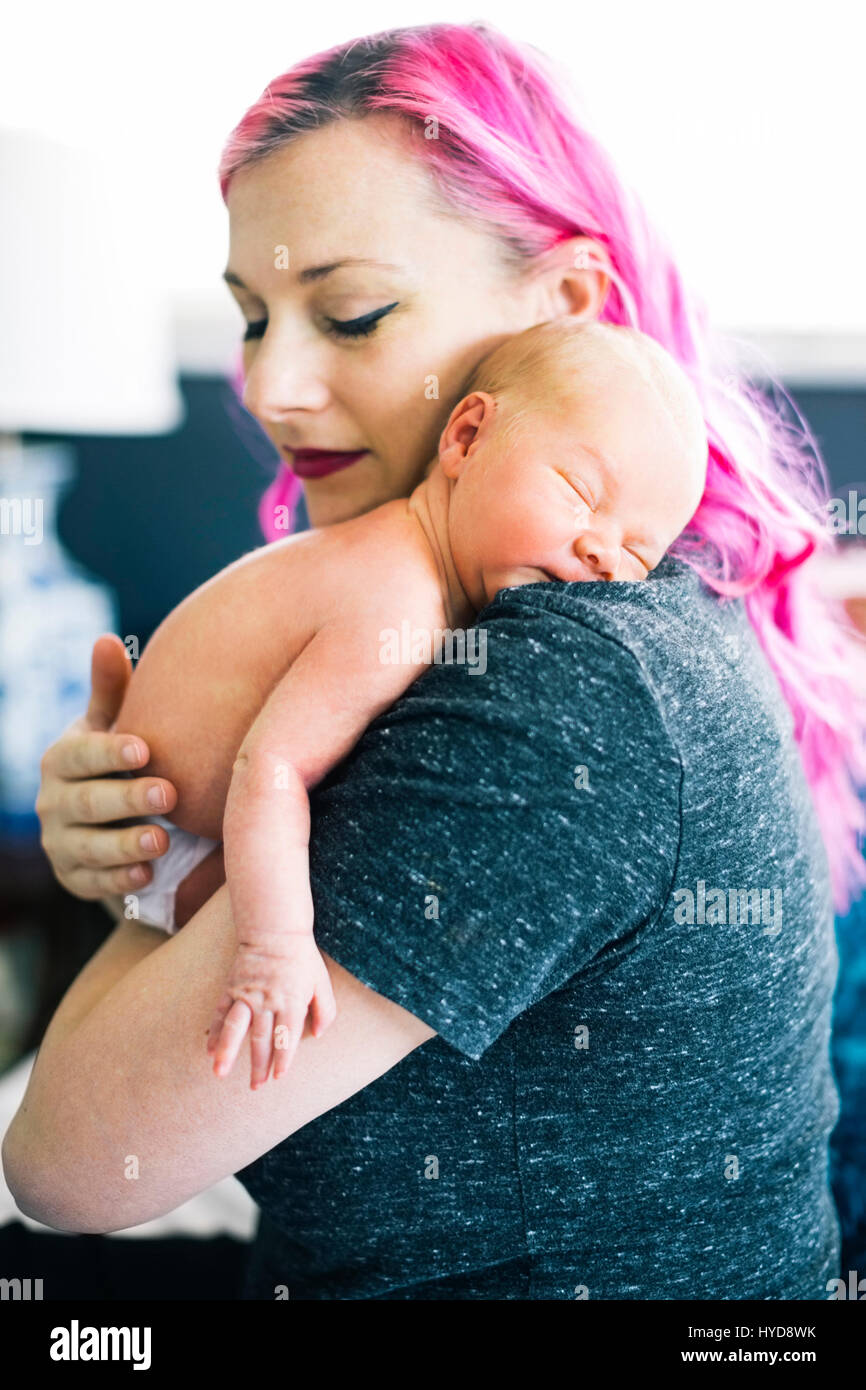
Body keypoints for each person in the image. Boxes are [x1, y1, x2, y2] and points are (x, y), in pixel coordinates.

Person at [5, 22, 865, 1299]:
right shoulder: (508, 622)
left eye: (352, 314)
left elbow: (72, 1166)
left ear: (564, 305)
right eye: (250, 319)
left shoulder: (555, 688)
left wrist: (185, 859)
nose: (274, 388)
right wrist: (150, 847)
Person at [111, 319, 708, 1089]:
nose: (601, 551)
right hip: (180, 841)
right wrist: (272, 947)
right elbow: (273, 767)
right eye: (579, 492)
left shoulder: (447, 580)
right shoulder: (398, 599)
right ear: (465, 437)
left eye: (638, 553)